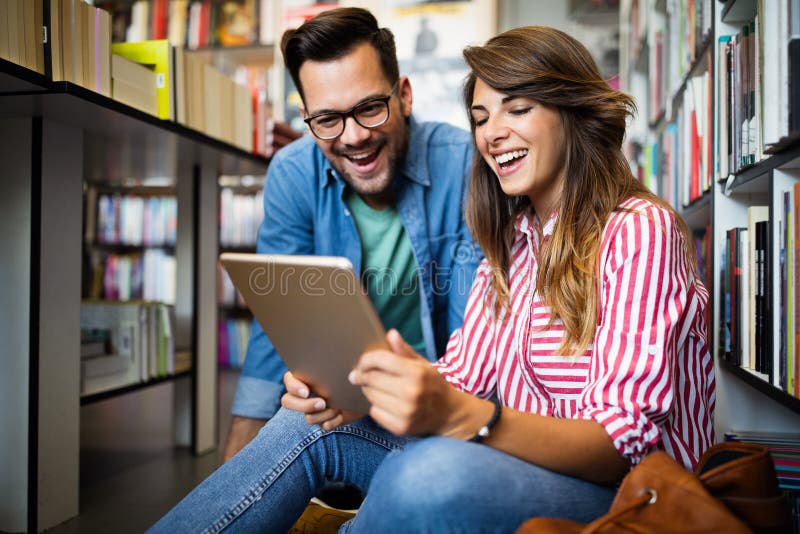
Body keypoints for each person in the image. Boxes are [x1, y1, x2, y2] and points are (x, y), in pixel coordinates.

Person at [151, 25, 715, 533]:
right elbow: (461, 376)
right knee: (308, 423)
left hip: (630, 496)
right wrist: (358, 392)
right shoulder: (515, 240)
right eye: (480, 118)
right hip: (518, 464)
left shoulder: (640, 230)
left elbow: (622, 446)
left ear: (572, 110)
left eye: (515, 108)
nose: (492, 134)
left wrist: (464, 416)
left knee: (429, 473)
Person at [223, 7, 480, 463]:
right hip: (343, 406)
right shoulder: (293, 173)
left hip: (442, 403)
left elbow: (474, 334)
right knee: (283, 428)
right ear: (306, 117)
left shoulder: (464, 162)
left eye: (369, 108)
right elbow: (276, 326)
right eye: (328, 120)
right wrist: (240, 452)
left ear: (403, 95)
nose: (354, 136)